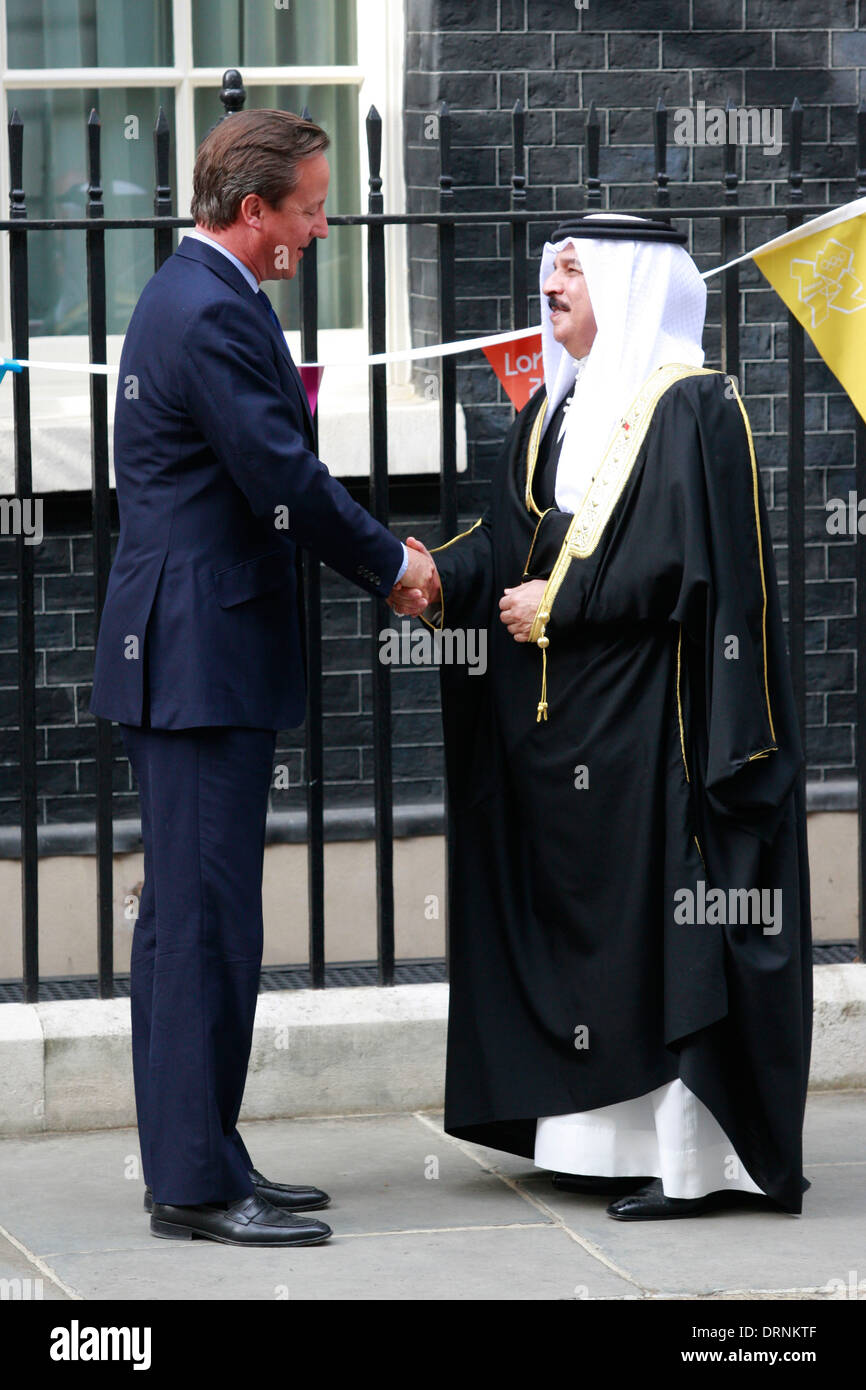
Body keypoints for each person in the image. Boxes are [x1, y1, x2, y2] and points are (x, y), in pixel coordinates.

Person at [392, 214, 813, 1220]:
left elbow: (693, 563)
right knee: (592, 936)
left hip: (659, 730)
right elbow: (509, 545)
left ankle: (686, 1164)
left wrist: (563, 605)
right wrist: (436, 582)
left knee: (661, 925)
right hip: (571, 733)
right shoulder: (549, 408)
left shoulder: (693, 406)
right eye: (551, 267)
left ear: (629, 286)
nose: (554, 281)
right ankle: (593, 1138)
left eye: (576, 268)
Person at [90, 109, 434, 1247]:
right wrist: (391, 562)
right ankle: (191, 1183)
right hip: (195, 661)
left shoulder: (205, 297)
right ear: (254, 213)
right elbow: (280, 475)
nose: (322, 224)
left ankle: (206, 1150)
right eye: (310, 206)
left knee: (197, 919)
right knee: (198, 927)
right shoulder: (208, 313)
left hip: (194, 652)